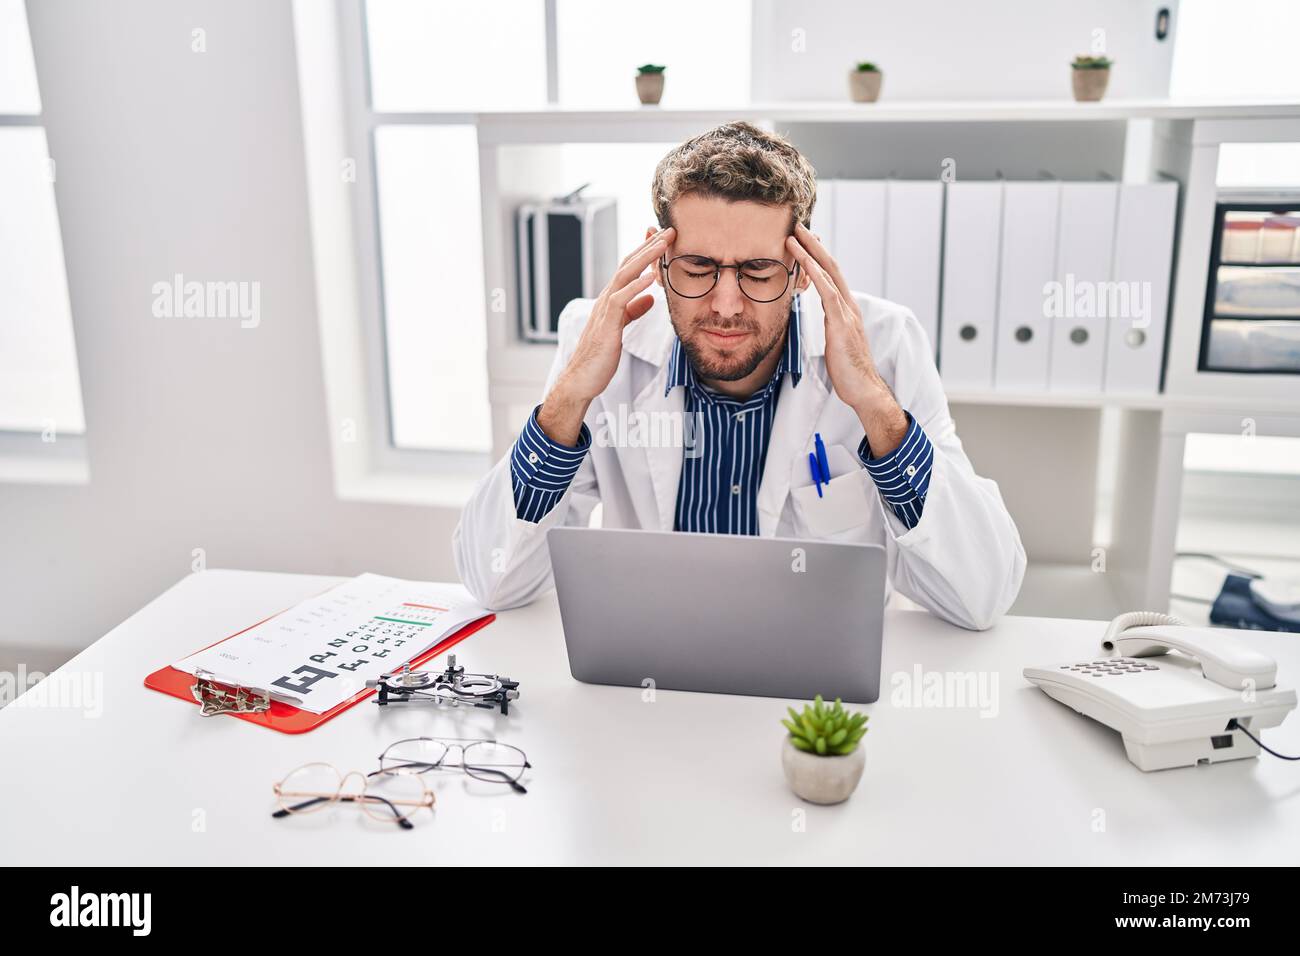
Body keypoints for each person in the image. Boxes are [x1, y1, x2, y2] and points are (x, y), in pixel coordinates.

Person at [455, 121, 1025, 630]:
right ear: (658, 263)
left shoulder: (887, 343)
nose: (726, 305)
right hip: (653, 676)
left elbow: (982, 596)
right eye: (699, 267)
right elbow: (496, 581)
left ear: (802, 269)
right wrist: (570, 395)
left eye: (757, 270)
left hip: (815, 697)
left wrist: (876, 407)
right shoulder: (599, 340)